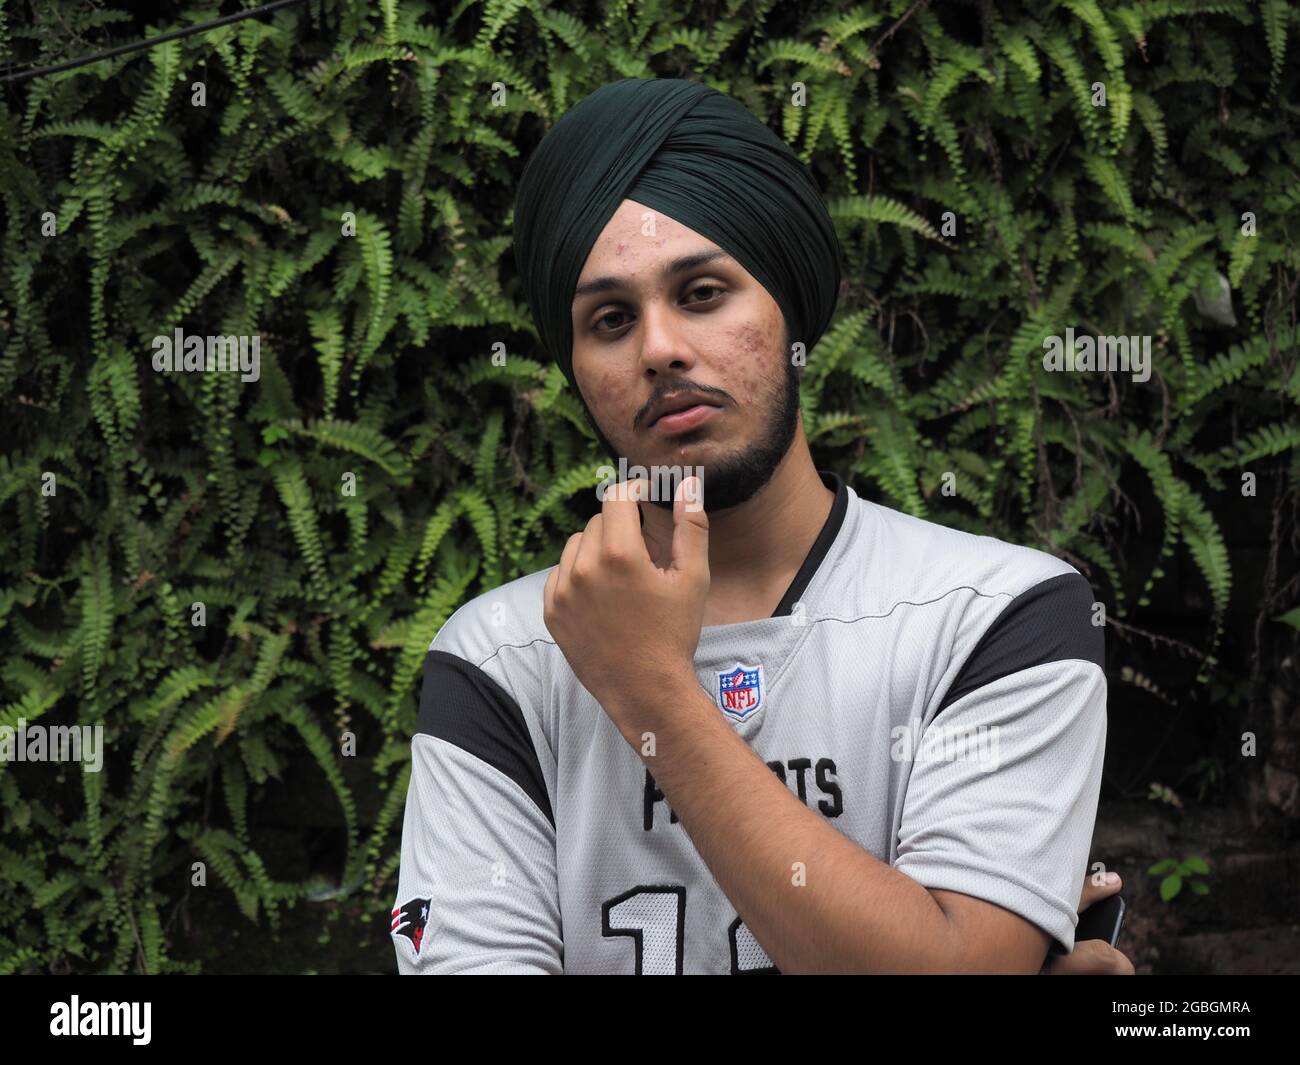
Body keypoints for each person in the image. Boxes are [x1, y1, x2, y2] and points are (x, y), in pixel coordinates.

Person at [390, 77, 1134, 974]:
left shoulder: (996, 615)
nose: (659, 347)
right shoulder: (499, 662)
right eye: (611, 319)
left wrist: (653, 692)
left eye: (703, 292)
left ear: (790, 314)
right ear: (577, 368)